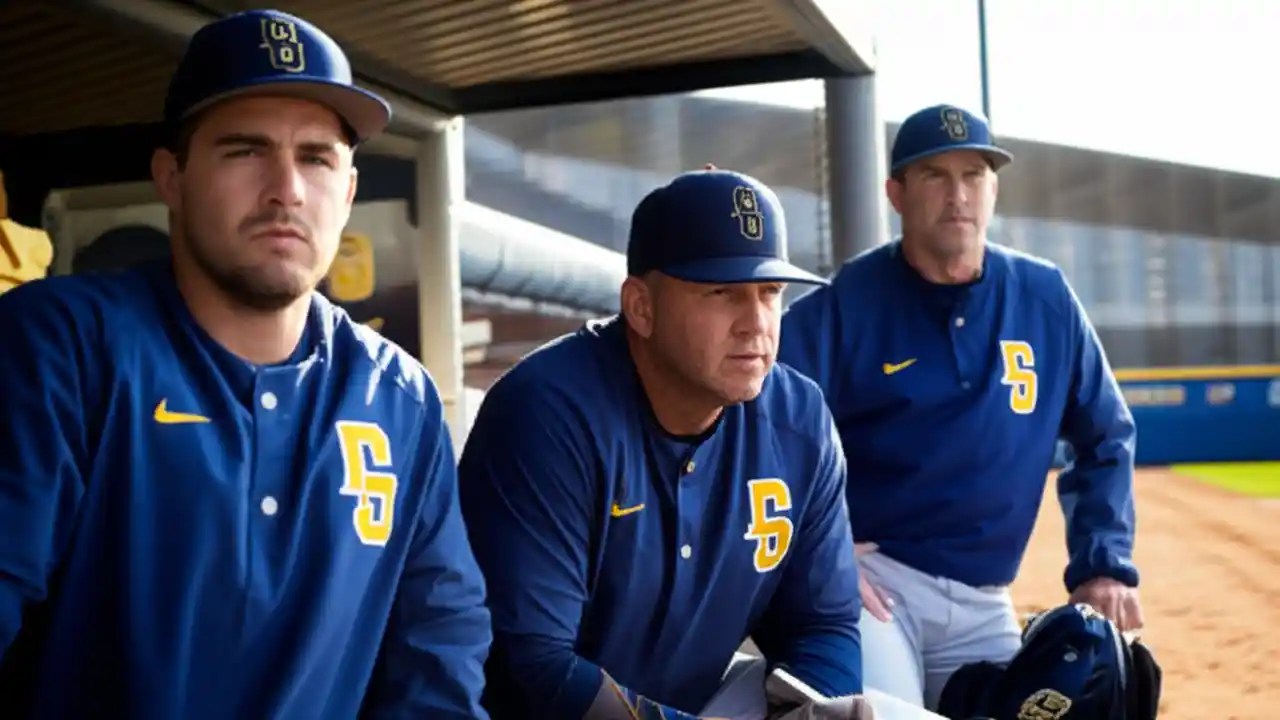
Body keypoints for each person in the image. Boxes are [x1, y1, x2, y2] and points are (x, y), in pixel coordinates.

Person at [0, 10, 490, 718]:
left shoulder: (400, 396)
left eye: (317, 158)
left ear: (348, 191)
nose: (286, 188)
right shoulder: (62, 345)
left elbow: (439, 653)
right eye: (244, 150)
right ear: (172, 177)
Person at [458, 168, 869, 719]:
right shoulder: (547, 411)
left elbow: (823, 624)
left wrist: (814, 714)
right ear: (641, 307)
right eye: (722, 292)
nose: (756, 324)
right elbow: (532, 662)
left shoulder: (799, 418)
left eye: (769, 293)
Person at [777, 103, 1144, 711]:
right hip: (875, 591)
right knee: (882, 713)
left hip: (984, 599)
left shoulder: (1044, 298)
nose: (958, 196)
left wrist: (1101, 565)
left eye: (974, 175)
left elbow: (1105, 435)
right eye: (934, 176)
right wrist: (822, 548)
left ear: (993, 189)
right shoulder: (847, 303)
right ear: (896, 193)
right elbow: (761, 421)